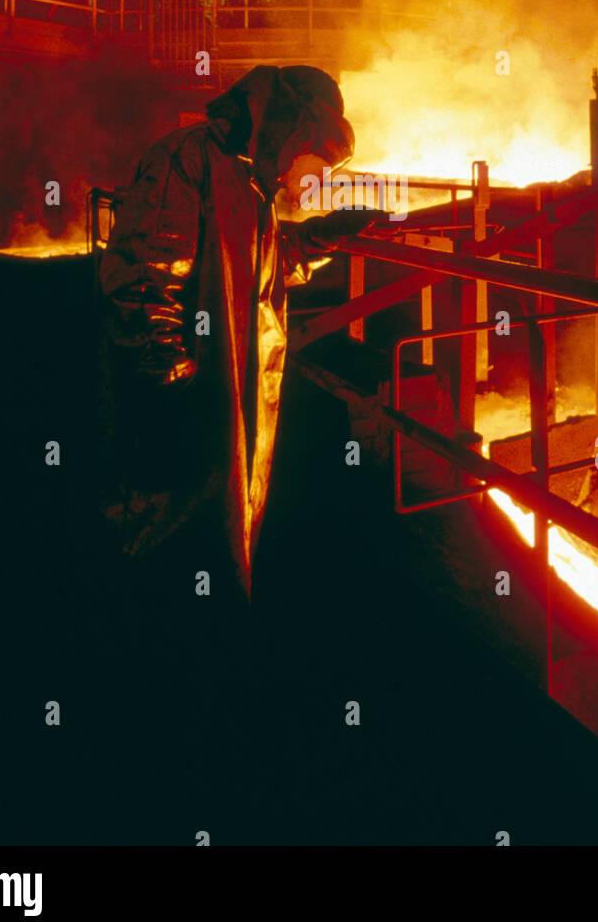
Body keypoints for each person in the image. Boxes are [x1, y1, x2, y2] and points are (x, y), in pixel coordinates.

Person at [96, 64, 389, 612]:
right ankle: (148, 661)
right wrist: (170, 389)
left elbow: (265, 272)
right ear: (286, 120)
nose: (309, 169)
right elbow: (142, 281)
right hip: (189, 401)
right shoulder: (189, 160)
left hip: (226, 403)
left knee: (216, 539)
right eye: (311, 149)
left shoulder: (250, 184)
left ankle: (209, 640)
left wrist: (323, 236)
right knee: (163, 541)